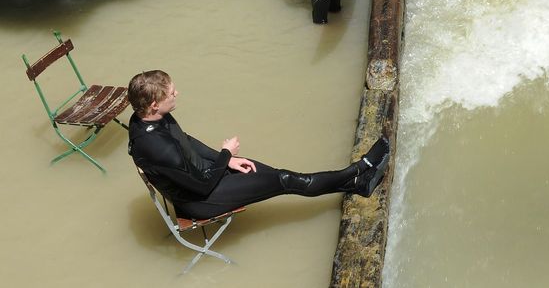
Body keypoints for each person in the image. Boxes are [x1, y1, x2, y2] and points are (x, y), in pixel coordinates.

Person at [127, 70, 389, 219]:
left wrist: (226, 159)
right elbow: (202, 184)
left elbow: (186, 141)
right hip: (201, 200)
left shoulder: (147, 117)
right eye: (172, 93)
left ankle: (359, 185)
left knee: (273, 175)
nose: (177, 94)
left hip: (204, 175)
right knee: (286, 180)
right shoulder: (156, 147)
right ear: (154, 104)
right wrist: (226, 153)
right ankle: (357, 170)